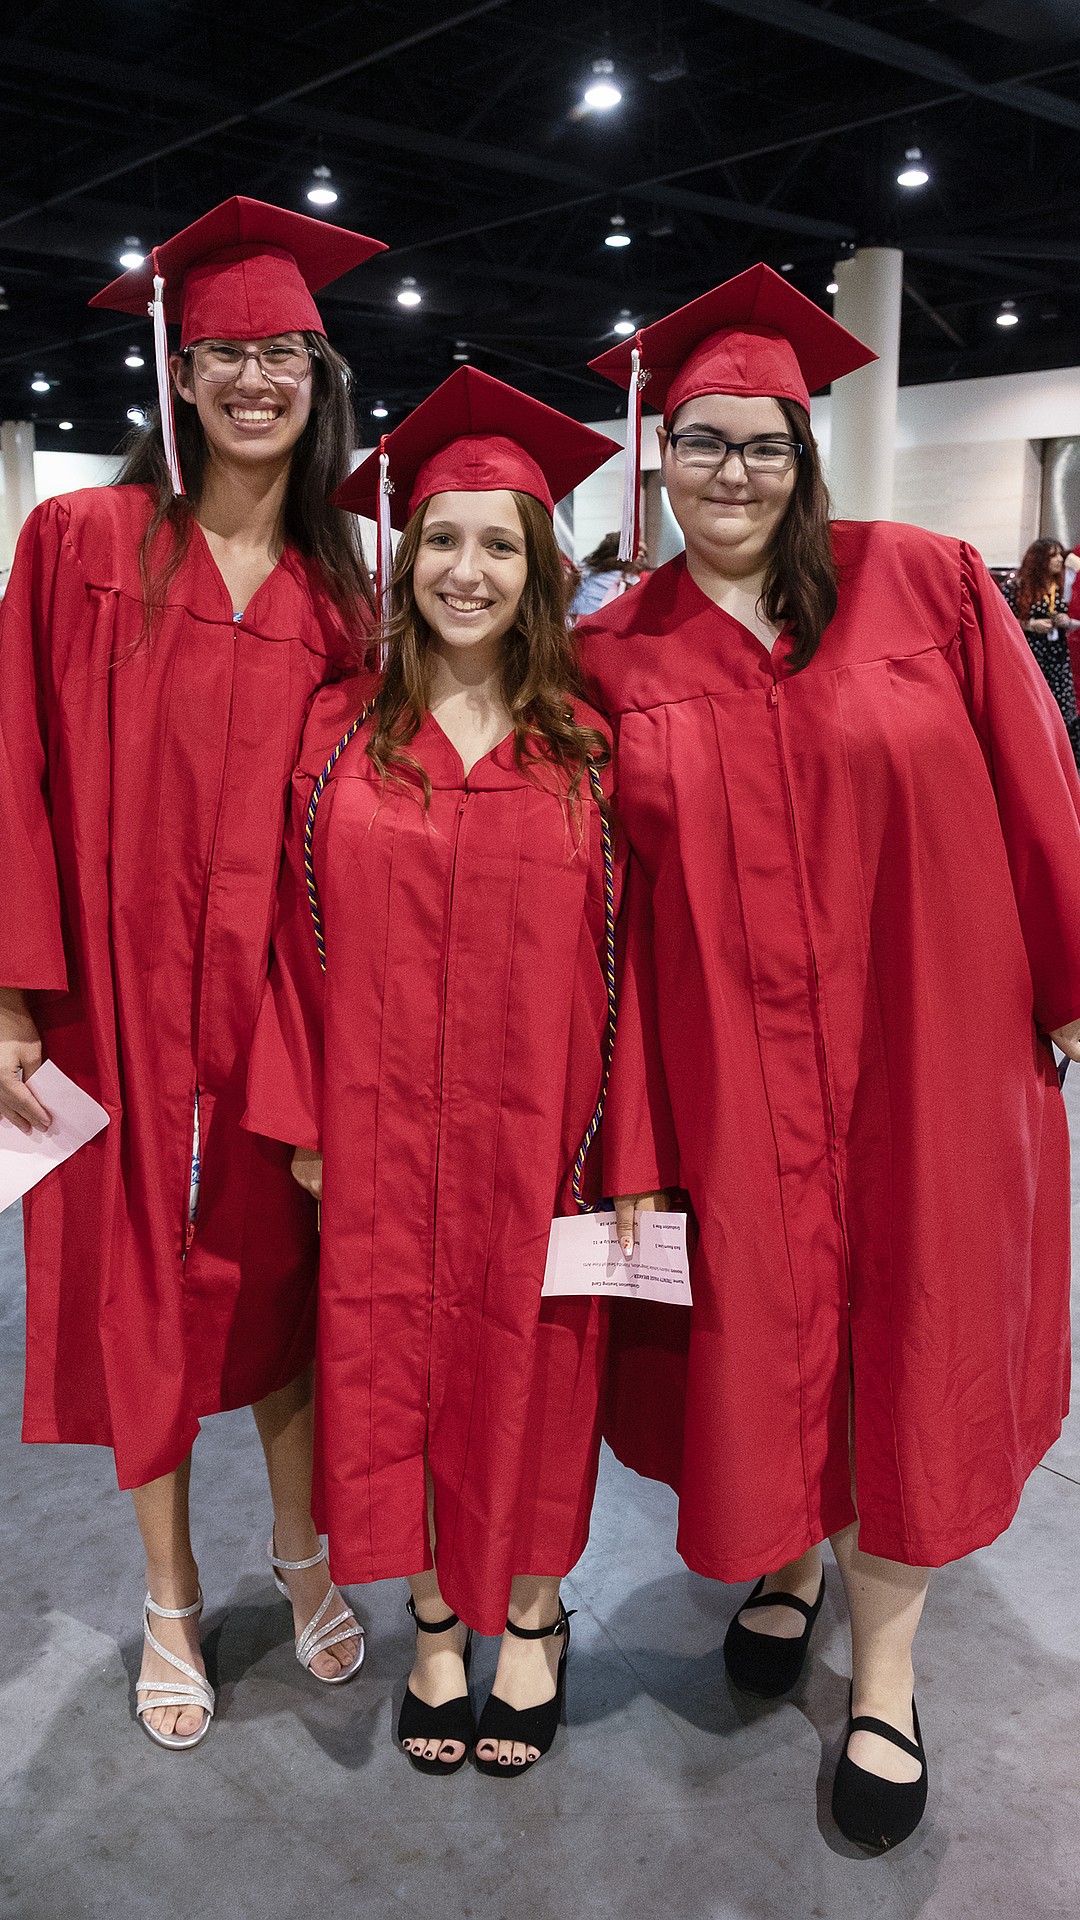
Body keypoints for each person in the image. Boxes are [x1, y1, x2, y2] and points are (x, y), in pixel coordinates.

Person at [576, 264, 1080, 1850]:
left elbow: (1040, 793)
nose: (732, 474)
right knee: (773, 1324)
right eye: (704, 444)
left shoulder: (925, 583)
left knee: (920, 1330)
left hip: (931, 1043)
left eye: (766, 446)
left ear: (807, 458)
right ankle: (788, 1558)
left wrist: (1069, 995)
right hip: (730, 1069)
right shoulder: (612, 655)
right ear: (657, 455)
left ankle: (886, 1674)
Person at [0, 197, 388, 1748]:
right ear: (177, 371)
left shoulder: (344, 589)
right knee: (138, 1300)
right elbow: (10, 766)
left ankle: (299, 1553)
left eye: (281, 354)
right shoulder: (81, 545)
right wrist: (9, 989)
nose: (251, 379)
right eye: (222, 351)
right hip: (111, 1007)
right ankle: (170, 1593)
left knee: (283, 1289)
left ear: (319, 376)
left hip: (281, 1012)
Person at [244, 367, 621, 1778]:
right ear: (406, 561)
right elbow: (284, 942)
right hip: (379, 1133)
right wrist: (305, 1124)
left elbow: (639, 967)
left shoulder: (587, 745)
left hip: (548, 1139)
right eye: (443, 541)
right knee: (385, 1366)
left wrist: (628, 1149)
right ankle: (432, 1620)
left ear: (540, 567)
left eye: (500, 544)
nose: (470, 570)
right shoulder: (336, 734)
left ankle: (530, 1611)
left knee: (540, 1367)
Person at [1001, 538, 1080, 764]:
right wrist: (1029, 625)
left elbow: (1070, 620)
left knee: (1062, 709)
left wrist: (1068, 621)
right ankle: (1032, 758)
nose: (1058, 561)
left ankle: (1060, 760)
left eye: (1059, 556)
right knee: (1032, 708)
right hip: (1032, 656)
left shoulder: (1059, 585)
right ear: (1039, 559)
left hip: (1057, 655)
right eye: (1053, 556)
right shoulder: (1017, 586)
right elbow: (1000, 620)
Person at [569, 531, 648, 619]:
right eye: (637, 549)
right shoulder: (585, 572)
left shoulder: (632, 580)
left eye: (644, 552)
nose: (641, 554)